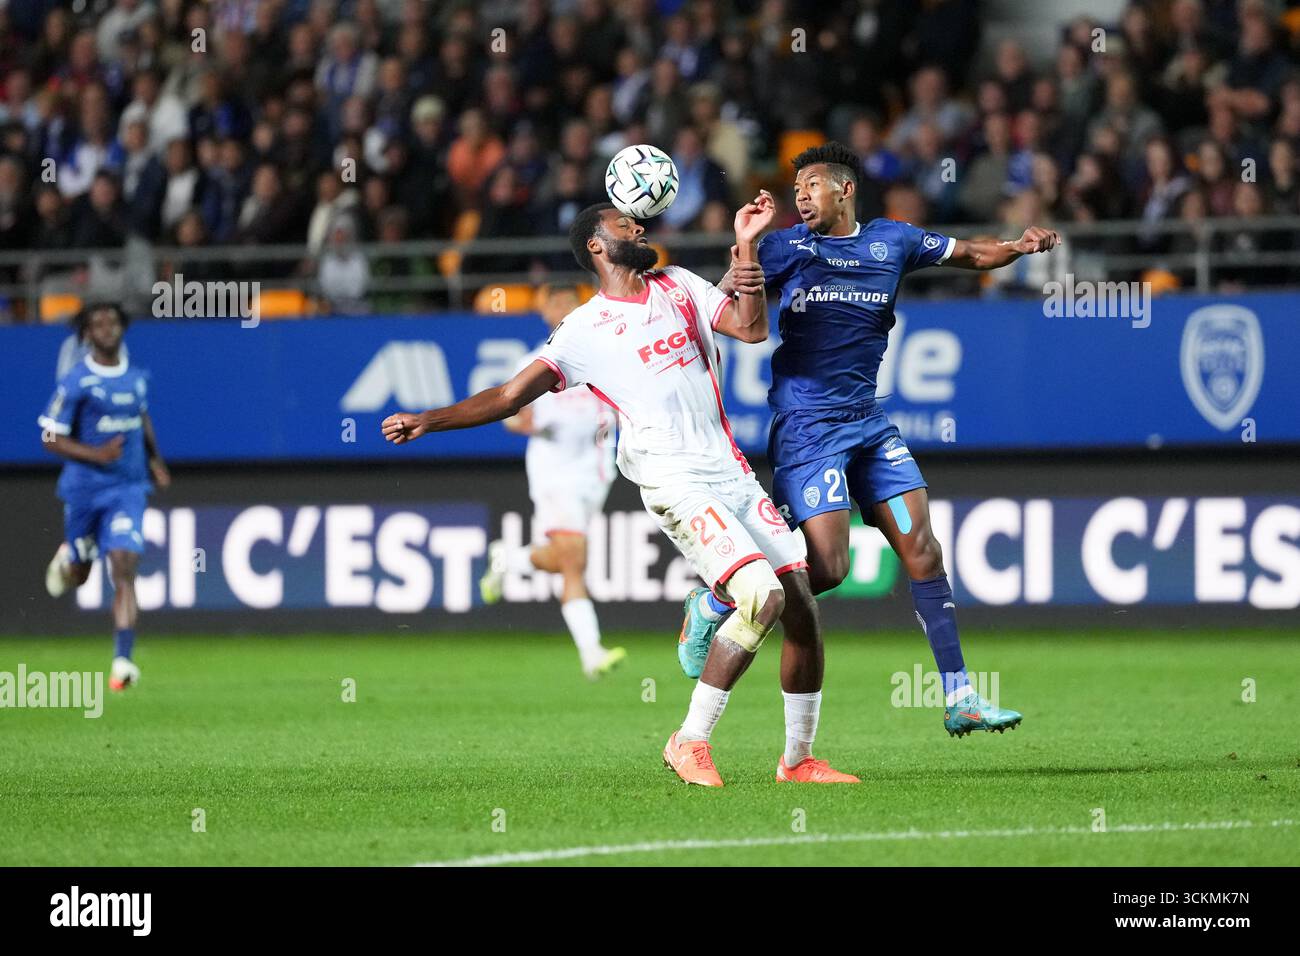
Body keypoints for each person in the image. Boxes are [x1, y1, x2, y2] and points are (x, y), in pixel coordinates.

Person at [383, 199, 857, 787]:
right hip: (672, 478)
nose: (637, 224)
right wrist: (430, 419)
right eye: (622, 222)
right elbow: (509, 397)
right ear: (596, 246)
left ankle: (797, 759)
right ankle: (689, 741)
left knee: (802, 600)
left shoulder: (680, 285)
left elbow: (753, 328)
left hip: (730, 471)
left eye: (637, 219)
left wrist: (748, 244)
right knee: (762, 597)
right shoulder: (584, 329)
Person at [681, 142, 1061, 738]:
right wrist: (748, 248)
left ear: (844, 189)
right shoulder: (785, 248)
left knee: (924, 551)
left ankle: (961, 697)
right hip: (808, 428)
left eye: (811, 187)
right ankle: (717, 601)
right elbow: (718, 302)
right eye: (797, 190)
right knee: (827, 570)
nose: (800, 197)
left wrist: (1018, 244)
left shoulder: (893, 241)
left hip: (868, 421)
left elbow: (972, 253)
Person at [477, 283, 625, 681]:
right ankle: (592, 653)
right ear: (546, 315)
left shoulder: (603, 358)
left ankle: (509, 559)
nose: (560, 311)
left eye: (567, 304)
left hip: (596, 476)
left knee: (563, 559)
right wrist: (521, 420)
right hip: (555, 476)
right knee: (574, 561)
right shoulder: (535, 364)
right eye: (553, 306)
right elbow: (510, 412)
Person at [40, 303, 170, 691]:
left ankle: (123, 662)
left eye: (113, 322)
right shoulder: (77, 382)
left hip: (127, 487)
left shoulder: (136, 378)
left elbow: (141, 417)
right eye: (98, 324)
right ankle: (70, 558)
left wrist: (154, 460)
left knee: (123, 565)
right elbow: (49, 435)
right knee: (80, 576)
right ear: (86, 335)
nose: (107, 329)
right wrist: (96, 454)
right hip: (85, 490)